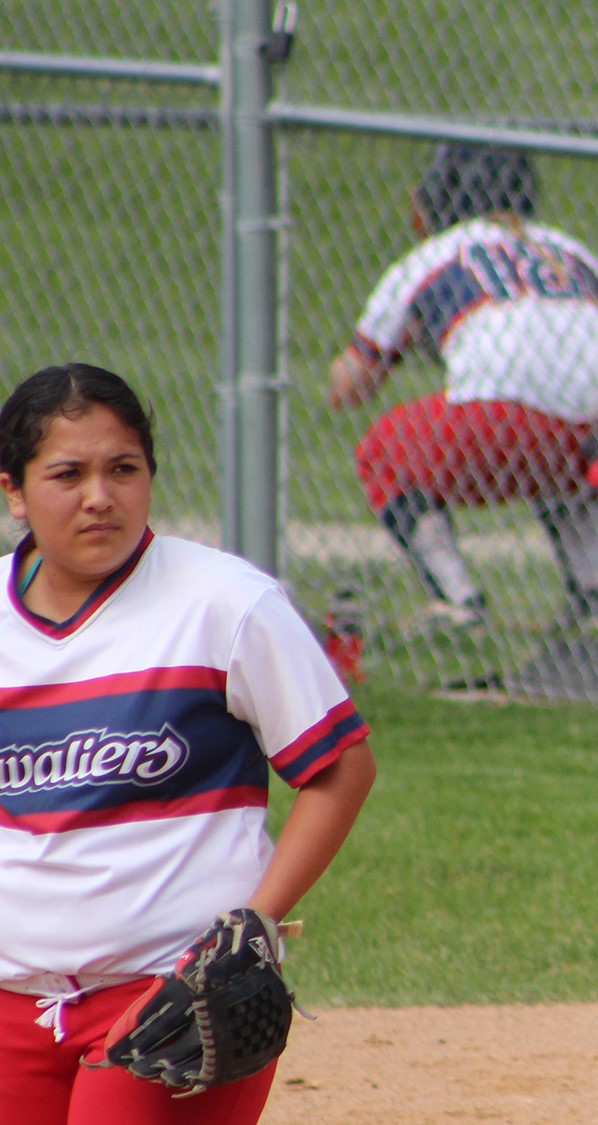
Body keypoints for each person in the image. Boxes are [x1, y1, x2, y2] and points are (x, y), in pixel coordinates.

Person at [0, 363, 377, 1123]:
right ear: (13, 489)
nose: (99, 495)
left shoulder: (225, 604)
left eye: (123, 469)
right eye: (68, 473)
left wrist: (259, 922)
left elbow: (339, 768)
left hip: (171, 991)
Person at [329, 144, 598, 635]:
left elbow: (349, 387)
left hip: (504, 425)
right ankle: (592, 599)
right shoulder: (573, 251)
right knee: (564, 441)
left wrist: (409, 340)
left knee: (381, 450)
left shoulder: (432, 255)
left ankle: (459, 602)